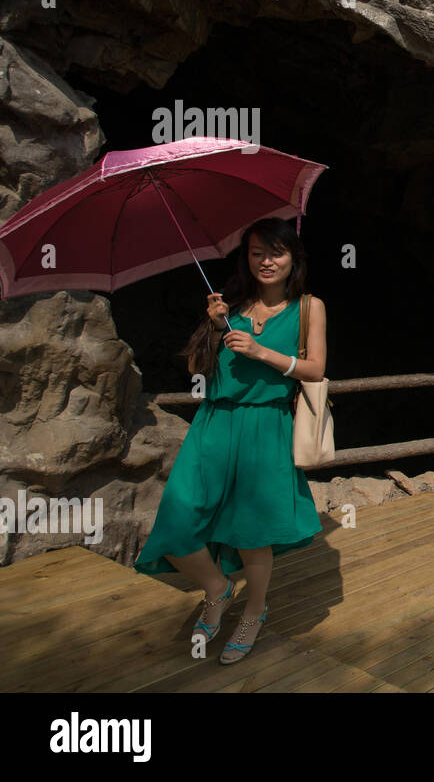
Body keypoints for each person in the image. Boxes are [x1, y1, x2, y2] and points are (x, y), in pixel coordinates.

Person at [134, 217, 326, 663]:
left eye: (276, 252)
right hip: (213, 422)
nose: (265, 261)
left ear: (293, 258)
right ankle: (218, 589)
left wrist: (262, 353)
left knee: (252, 532)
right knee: (177, 521)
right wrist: (215, 327)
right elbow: (197, 372)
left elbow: (316, 369)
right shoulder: (229, 305)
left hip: (265, 424)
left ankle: (254, 612)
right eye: (257, 252)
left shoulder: (309, 307)